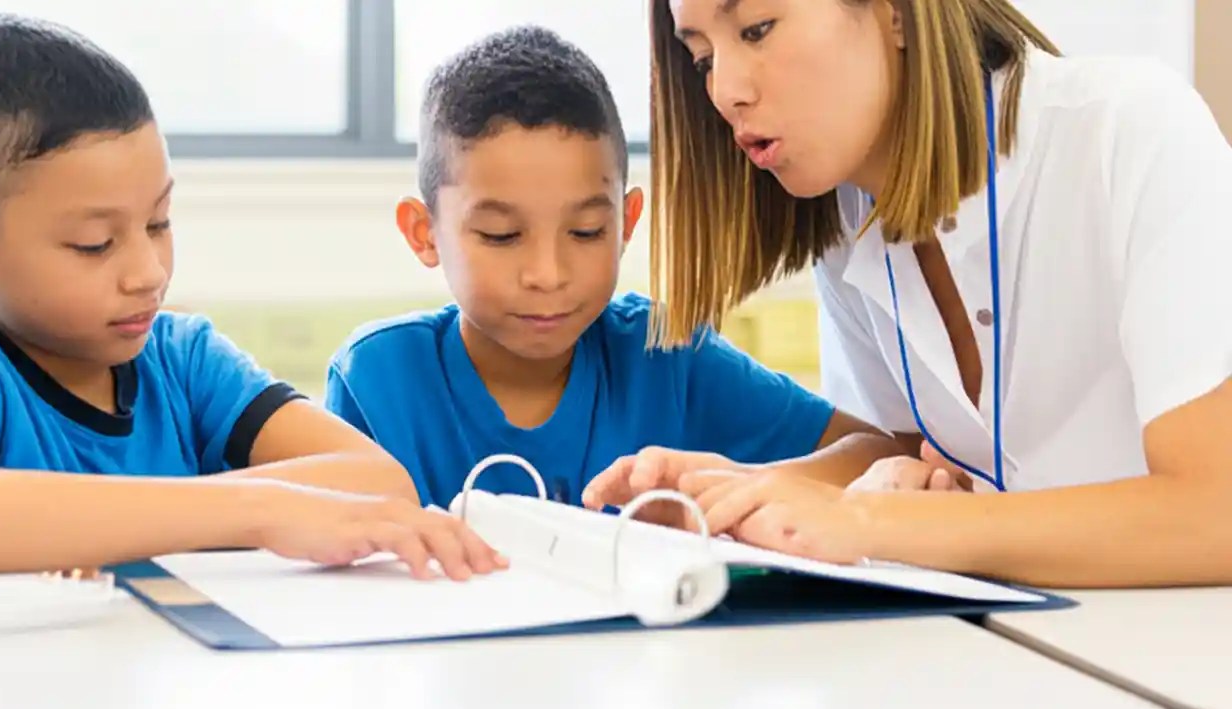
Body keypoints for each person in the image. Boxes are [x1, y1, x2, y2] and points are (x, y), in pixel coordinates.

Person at [585, 0, 1232, 587]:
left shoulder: (1130, 131)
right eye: (702, 57)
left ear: (895, 12)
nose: (724, 91)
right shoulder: (843, 212)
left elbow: (1216, 513)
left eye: (757, 29)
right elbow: (910, 449)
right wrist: (746, 491)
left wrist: (863, 519)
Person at [0, 13, 503, 579]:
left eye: (159, 223)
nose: (148, 273)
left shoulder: (182, 360)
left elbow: (379, 482)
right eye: (94, 244)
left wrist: (206, 516)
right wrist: (255, 512)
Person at [326, 26, 903, 517]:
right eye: (502, 236)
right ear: (424, 233)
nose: (548, 275)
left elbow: (880, 454)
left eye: (585, 232)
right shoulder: (377, 380)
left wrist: (736, 488)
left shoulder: (669, 357)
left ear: (627, 222)